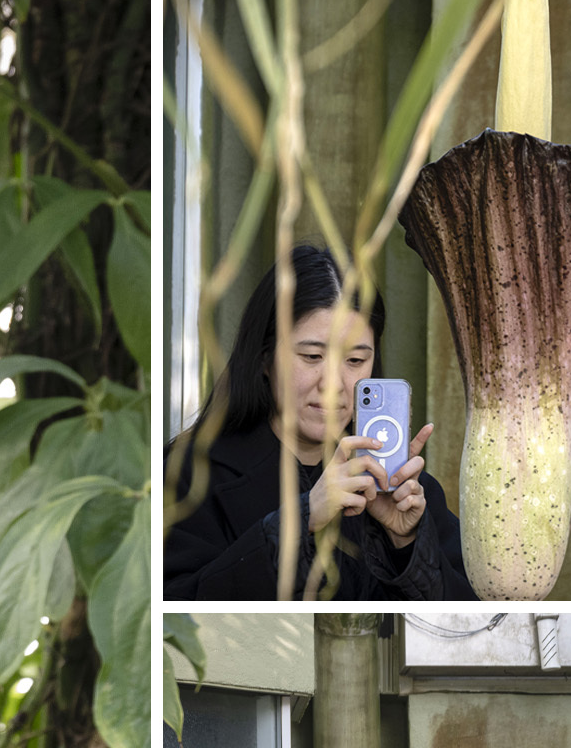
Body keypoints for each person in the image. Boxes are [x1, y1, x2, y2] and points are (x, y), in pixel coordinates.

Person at [164, 245, 476, 600]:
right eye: (312, 356)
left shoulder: (407, 491)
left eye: (355, 361)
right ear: (264, 357)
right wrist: (302, 519)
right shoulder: (188, 476)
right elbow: (173, 612)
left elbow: (472, 617)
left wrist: (407, 545)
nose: (333, 385)